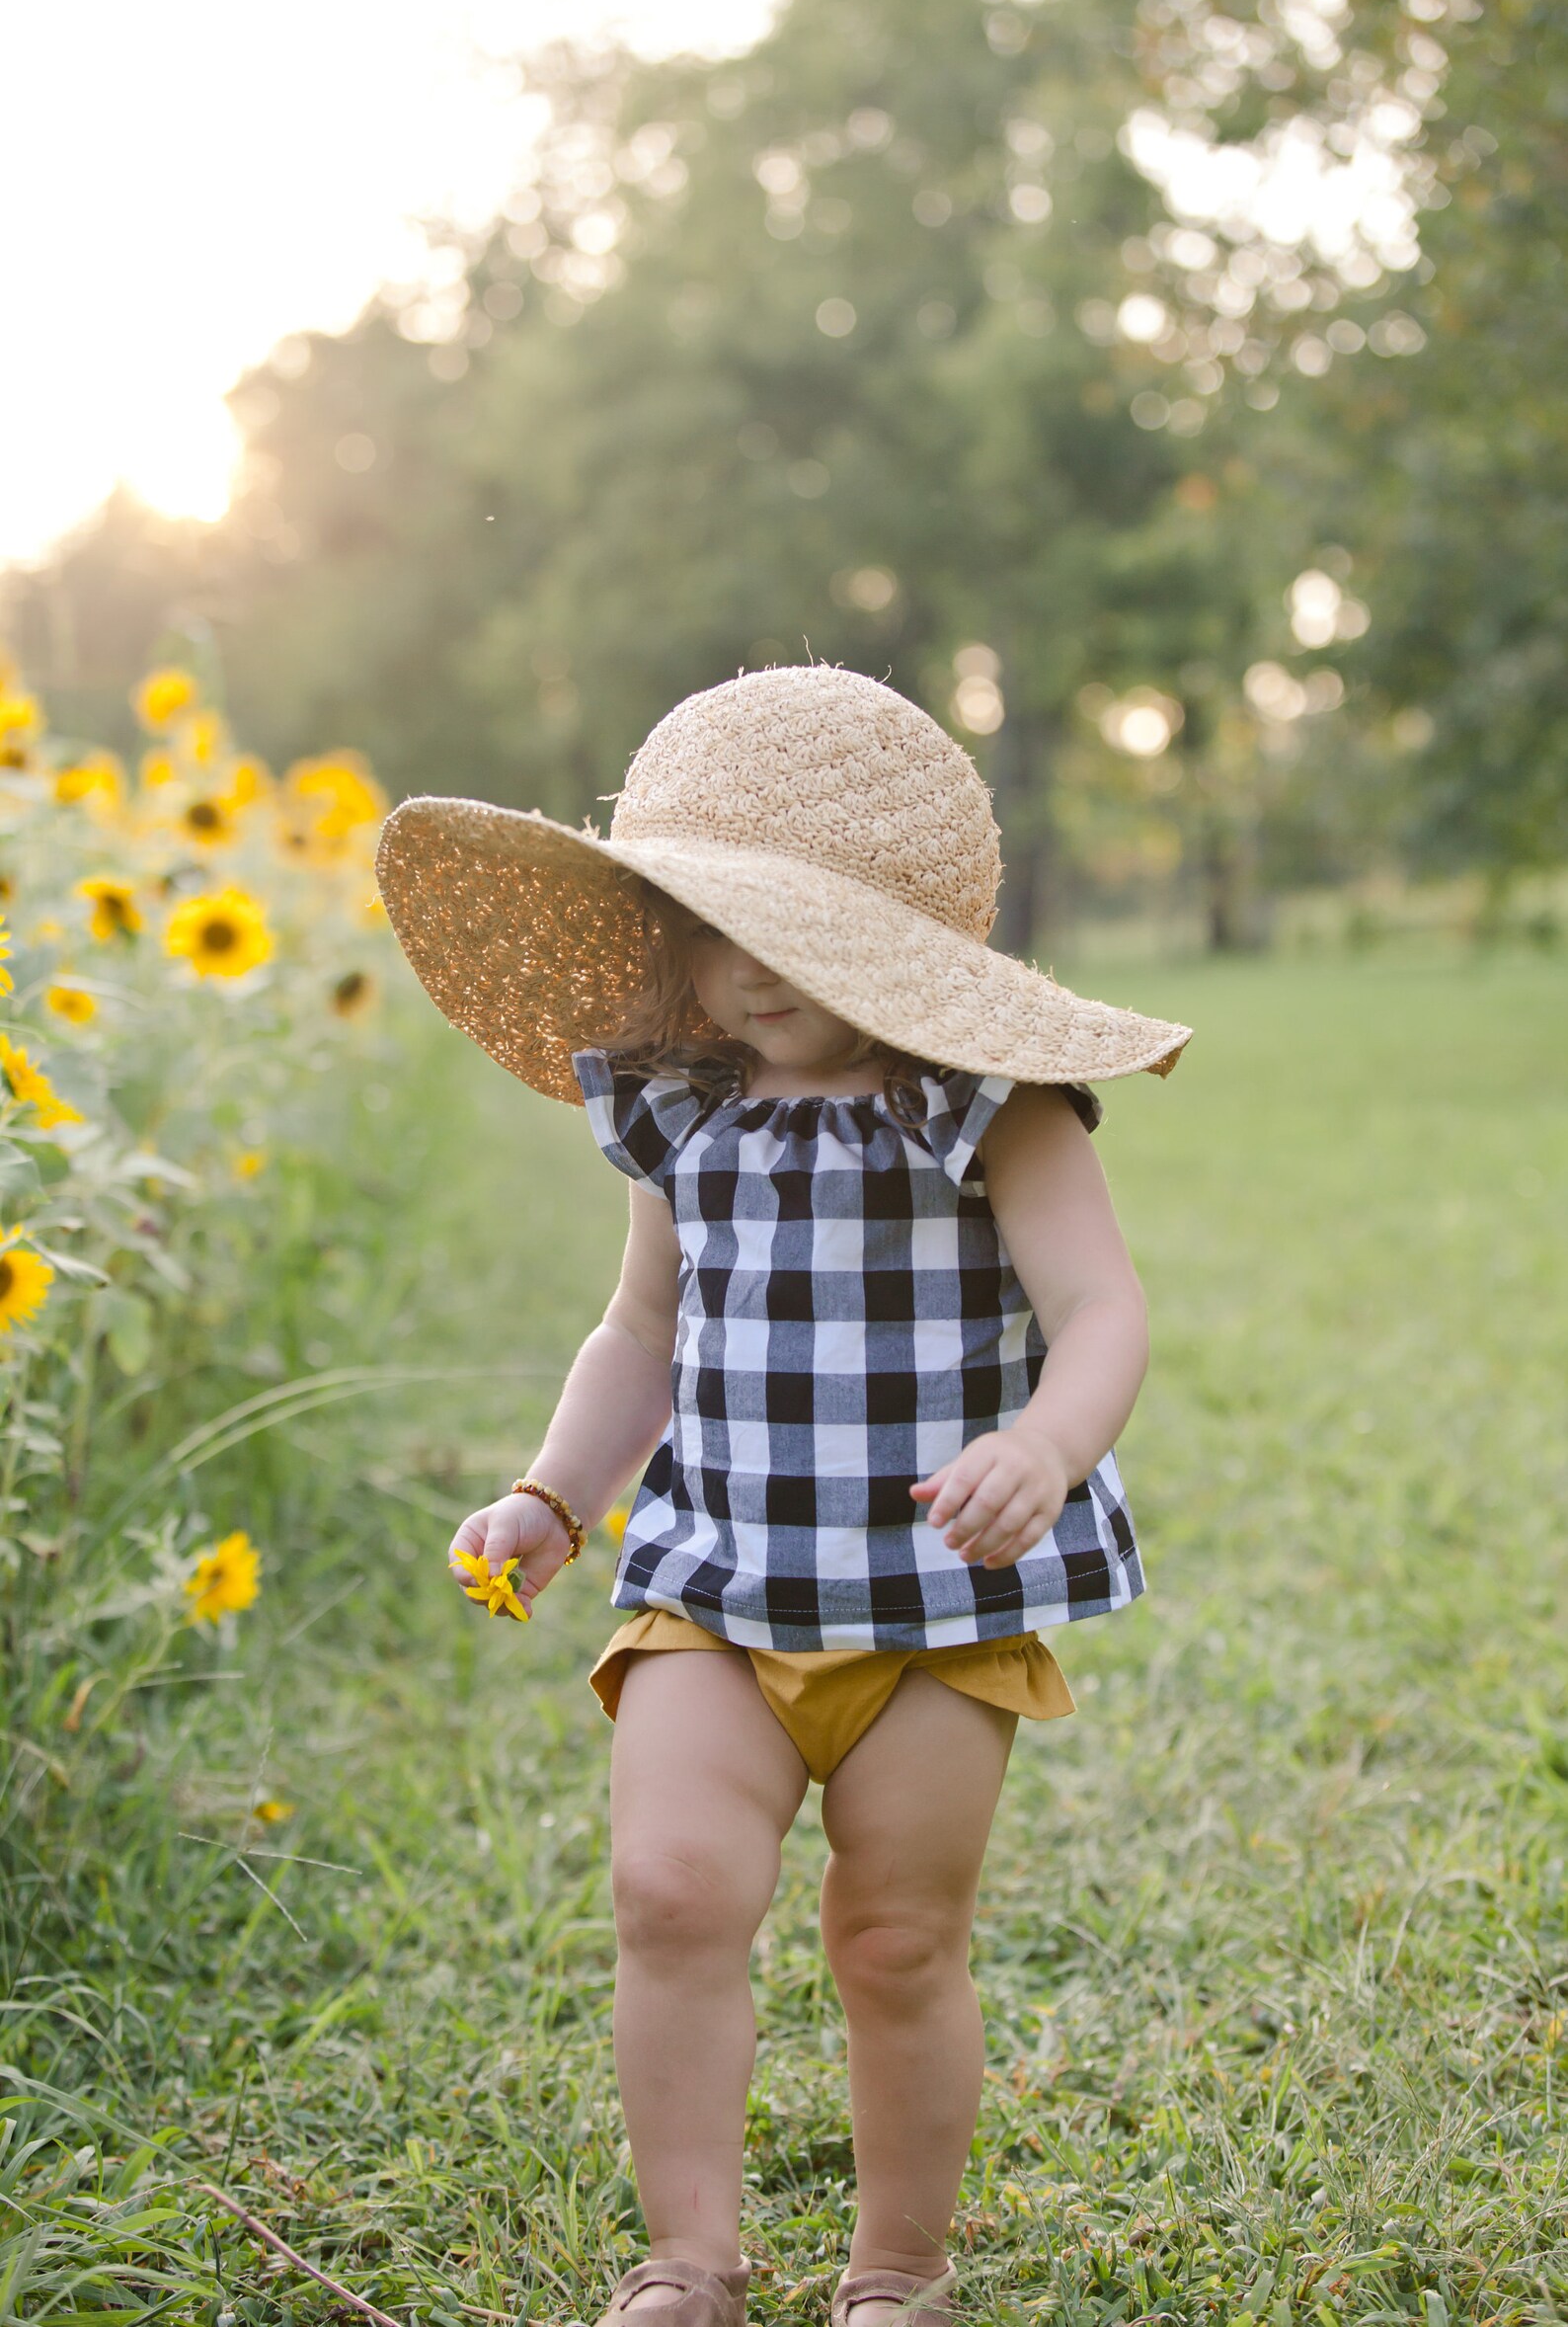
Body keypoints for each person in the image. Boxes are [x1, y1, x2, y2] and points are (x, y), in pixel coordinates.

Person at [375, 666, 1191, 2327]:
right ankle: (690, 2259)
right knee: (671, 1892)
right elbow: (642, 1334)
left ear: (888, 935)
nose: (738, 969)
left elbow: (1104, 1309)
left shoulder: (990, 1106)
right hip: (717, 1585)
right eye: (705, 921)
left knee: (895, 1934)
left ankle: (896, 2269)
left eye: (784, 928)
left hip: (927, 1606)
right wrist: (555, 1488)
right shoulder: (687, 1115)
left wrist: (1044, 1444)